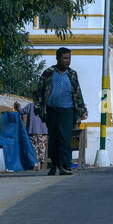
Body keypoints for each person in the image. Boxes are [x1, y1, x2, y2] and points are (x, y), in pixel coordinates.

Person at [34, 47, 87, 175]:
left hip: (67, 111)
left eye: (69, 58)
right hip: (51, 111)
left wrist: (81, 111)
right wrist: (39, 108)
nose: (67, 61)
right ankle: (54, 165)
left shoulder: (72, 74)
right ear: (57, 58)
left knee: (65, 138)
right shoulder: (48, 73)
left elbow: (78, 93)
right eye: (64, 58)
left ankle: (65, 166)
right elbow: (38, 91)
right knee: (53, 139)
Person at [22, 97, 48, 171]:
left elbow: (21, 111)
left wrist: (17, 106)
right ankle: (42, 164)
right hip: (43, 132)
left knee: (34, 149)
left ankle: (36, 164)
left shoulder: (30, 106)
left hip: (32, 131)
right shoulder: (45, 107)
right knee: (42, 149)